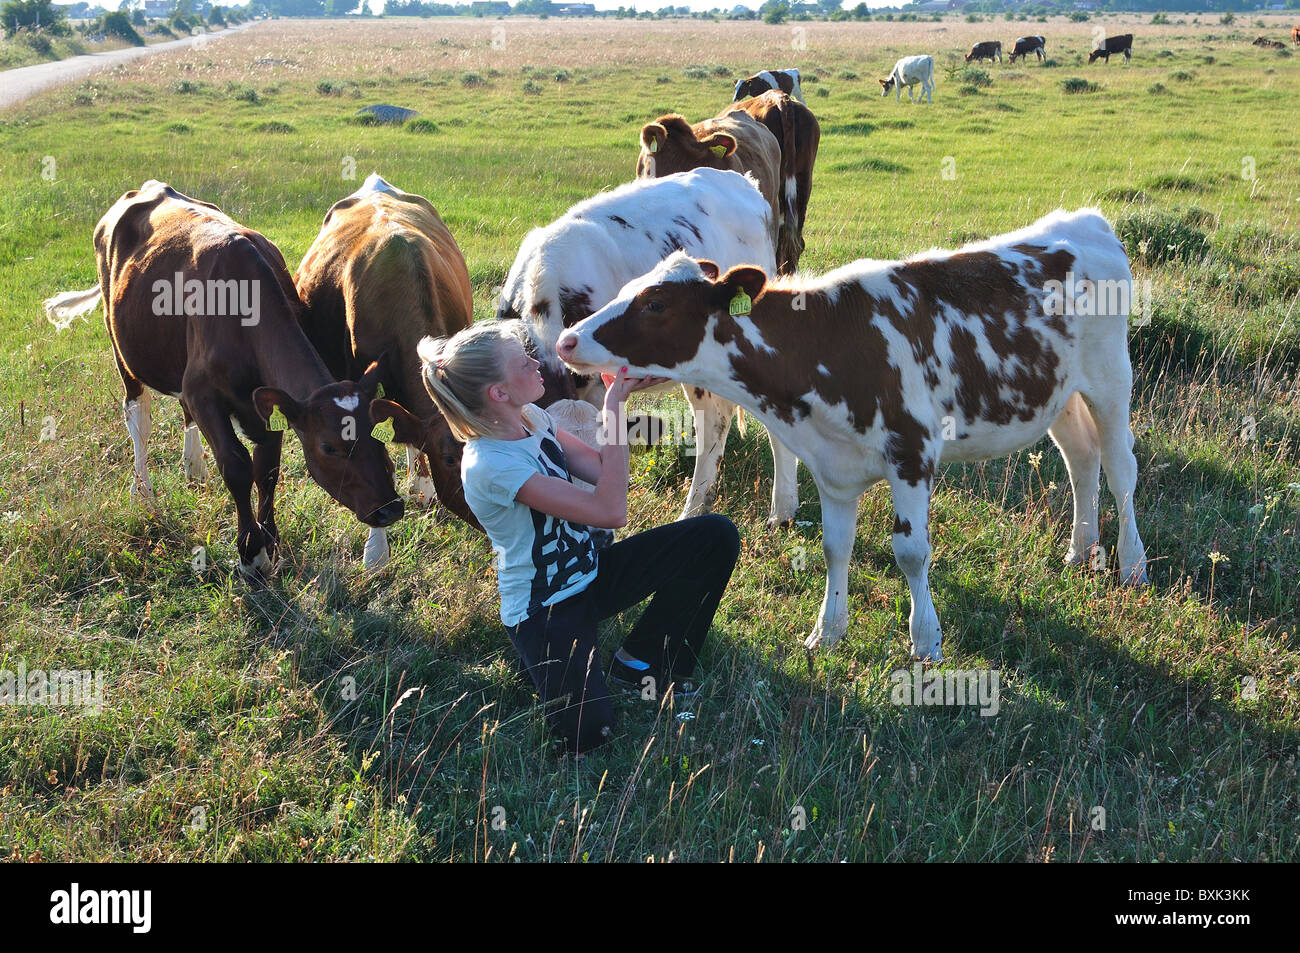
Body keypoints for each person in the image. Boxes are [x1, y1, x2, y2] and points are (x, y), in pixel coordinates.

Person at [418, 321, 741, 755]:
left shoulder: (532, 418)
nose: (538, 364)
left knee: (713, 536)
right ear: (499, 392)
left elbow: (601, 469)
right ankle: (537, 659)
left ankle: (643, 662)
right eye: (523, 362)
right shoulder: (489, 464)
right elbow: (612, 511)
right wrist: (612, 406)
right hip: (544, 609)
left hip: (590, 573)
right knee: (591, 735)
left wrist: (616, 401)